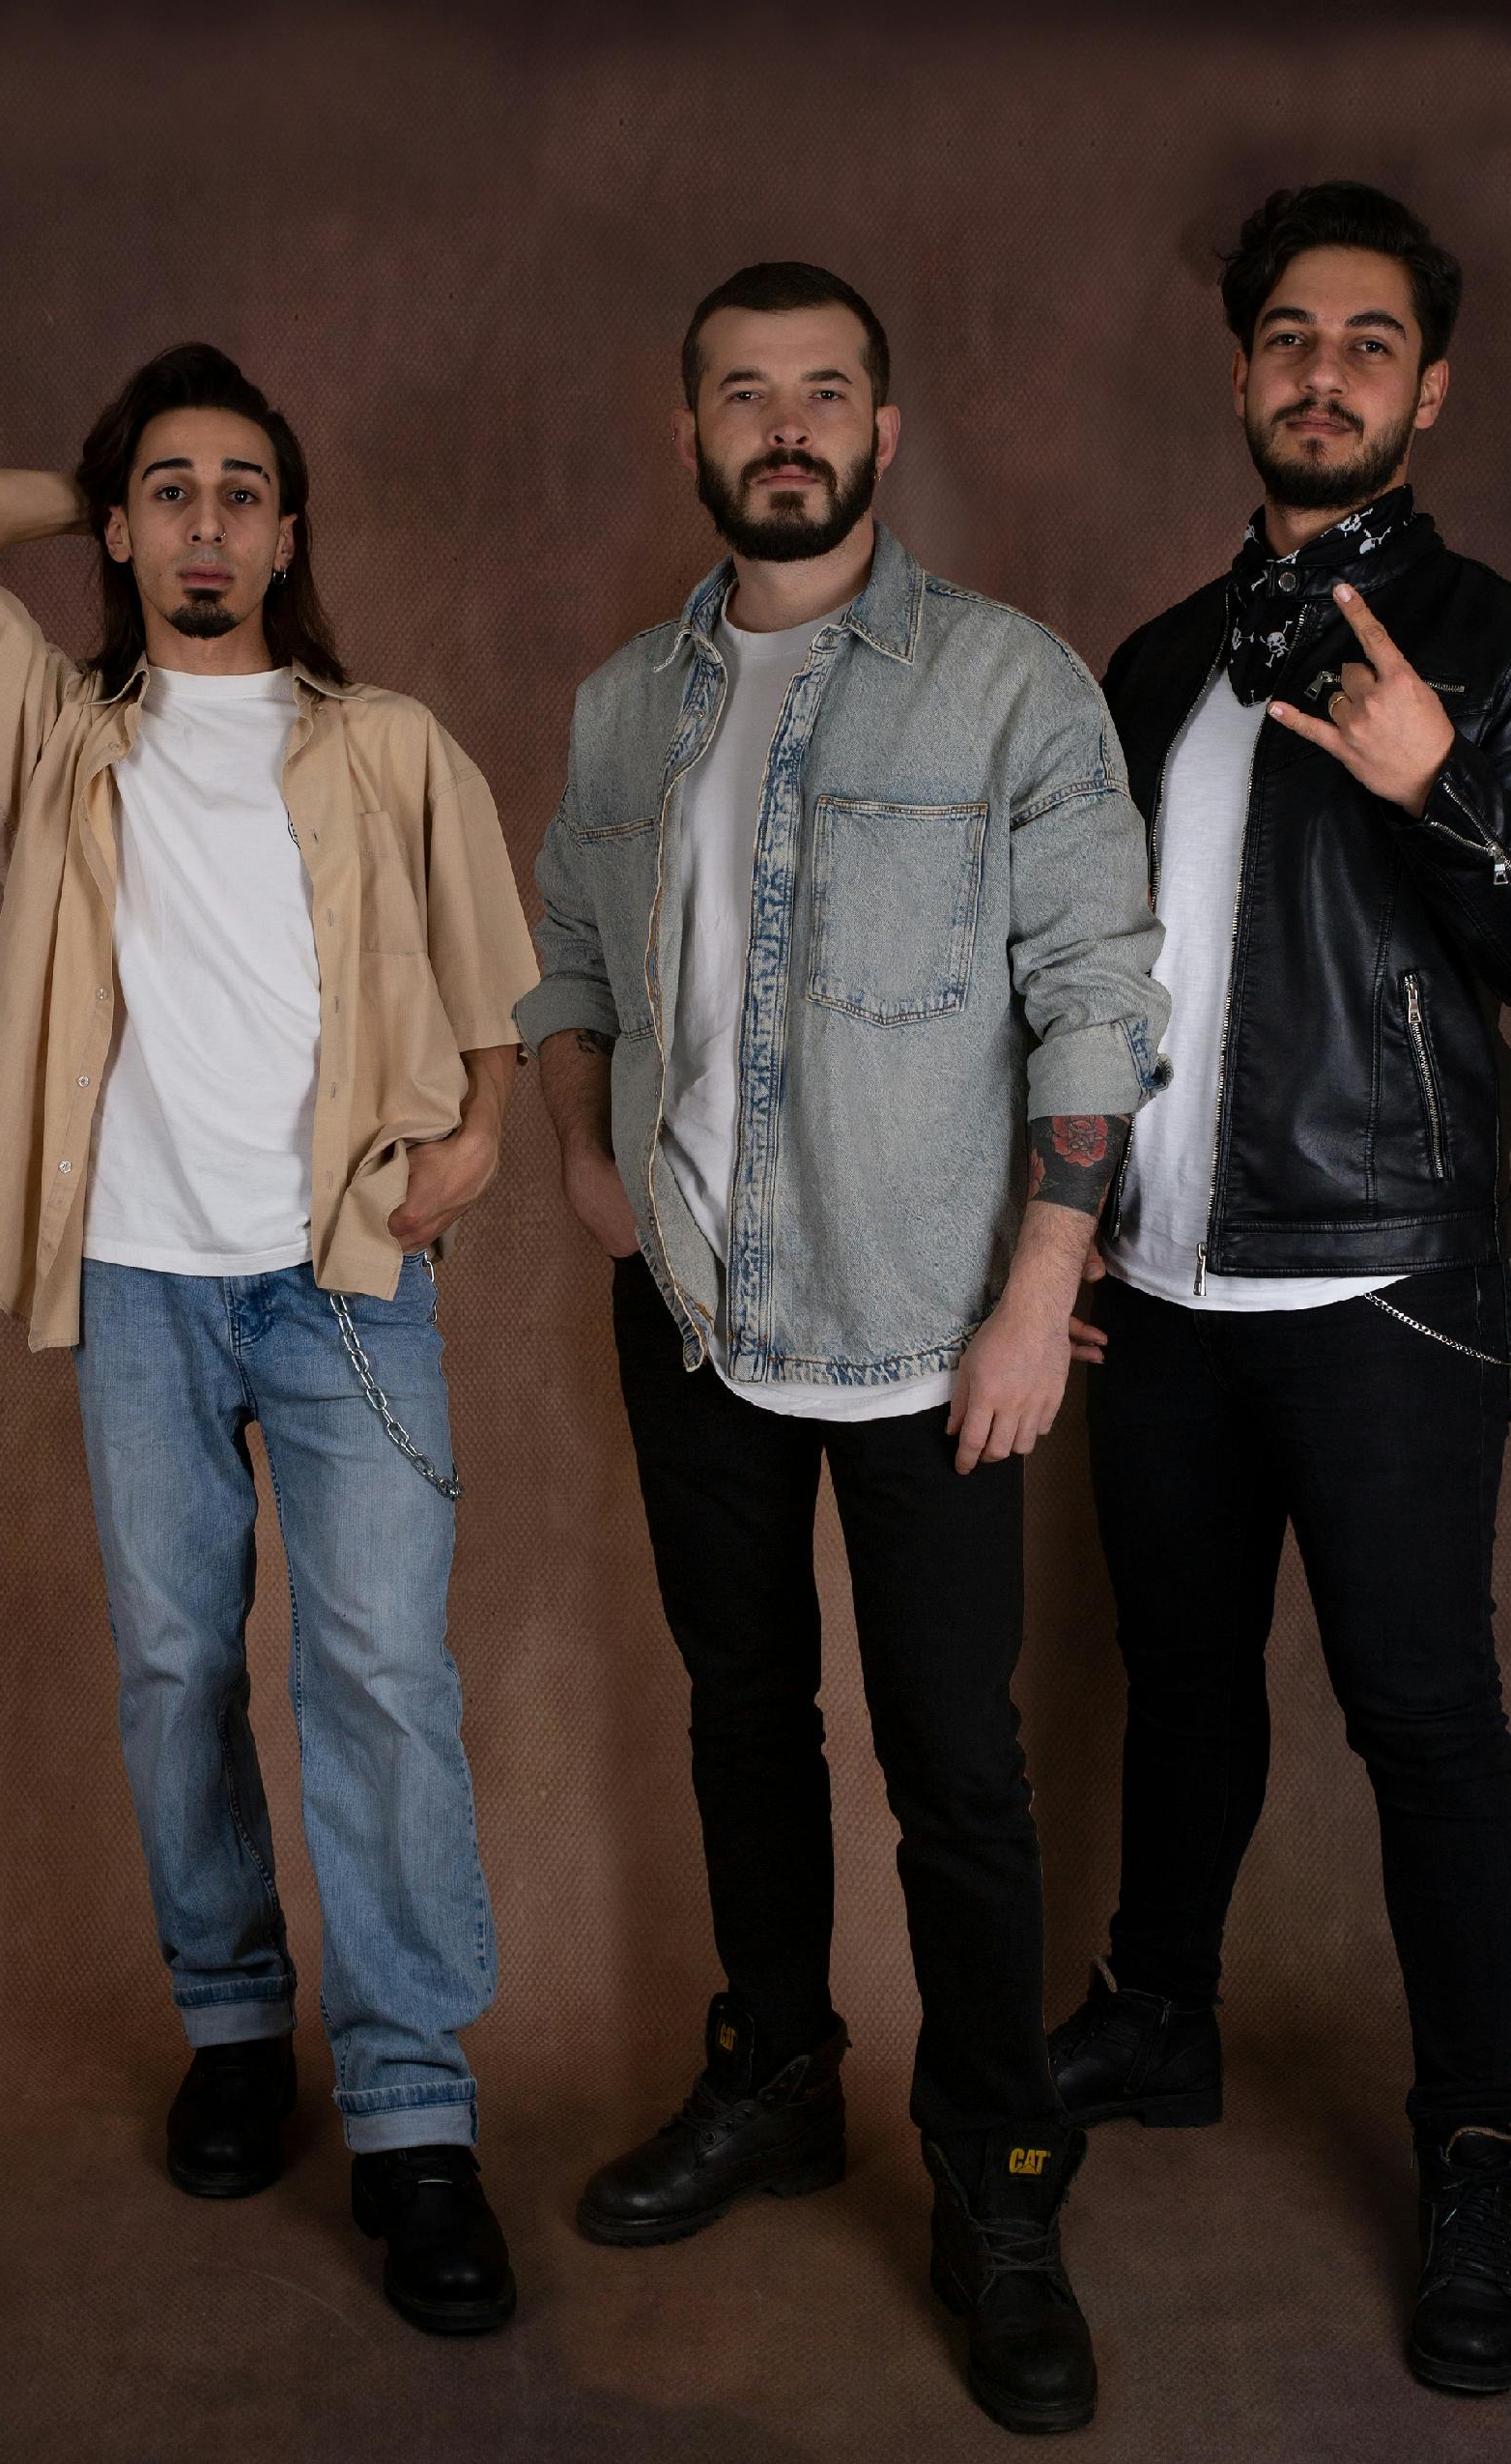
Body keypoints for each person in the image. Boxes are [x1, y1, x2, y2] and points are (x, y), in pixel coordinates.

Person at [517, 263, 1169, 2435]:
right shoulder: (625, 705)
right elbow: (565, 970)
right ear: (686, 433)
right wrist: (594, 1179)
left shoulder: (1006, 687)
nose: (781, 426)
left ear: (885, 434)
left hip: (937, 1343)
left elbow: (1096, 991)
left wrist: (1037, 1294)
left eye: (822, 393)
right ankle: (778, 2075)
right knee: (740, 1720)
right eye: (740, 393)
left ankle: (996, 2181)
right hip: (696, 1324)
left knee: (961, 1779)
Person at [0, 343, 540, 2335]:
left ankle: (415, 2116)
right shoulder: (59, 739)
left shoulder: (391, 742)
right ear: (128, 524)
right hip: (142, 1282)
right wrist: (97, 482)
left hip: (344, 1279)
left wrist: (481, 1147)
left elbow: (495, 989)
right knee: (175, 1667)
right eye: (171, 492)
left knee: (383, 1678)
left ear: (293, 531)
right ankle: (238, 2026)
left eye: (244, 492)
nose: (209, 524)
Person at [1054, 182, 1511, 2397]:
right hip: (1167, 1288)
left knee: (1421, 1719)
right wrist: (1065, 1233)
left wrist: (1443, 792)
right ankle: (1164, 2014)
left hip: (1386, 1280)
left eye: (1368, 344)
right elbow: (1090, 983)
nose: (1323, 372)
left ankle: (1471, 2152)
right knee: (1183, 1680)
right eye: (1288, 338)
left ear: (1429, 390)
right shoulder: (1145, 663)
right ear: (1239, 376)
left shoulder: (1507, 651)